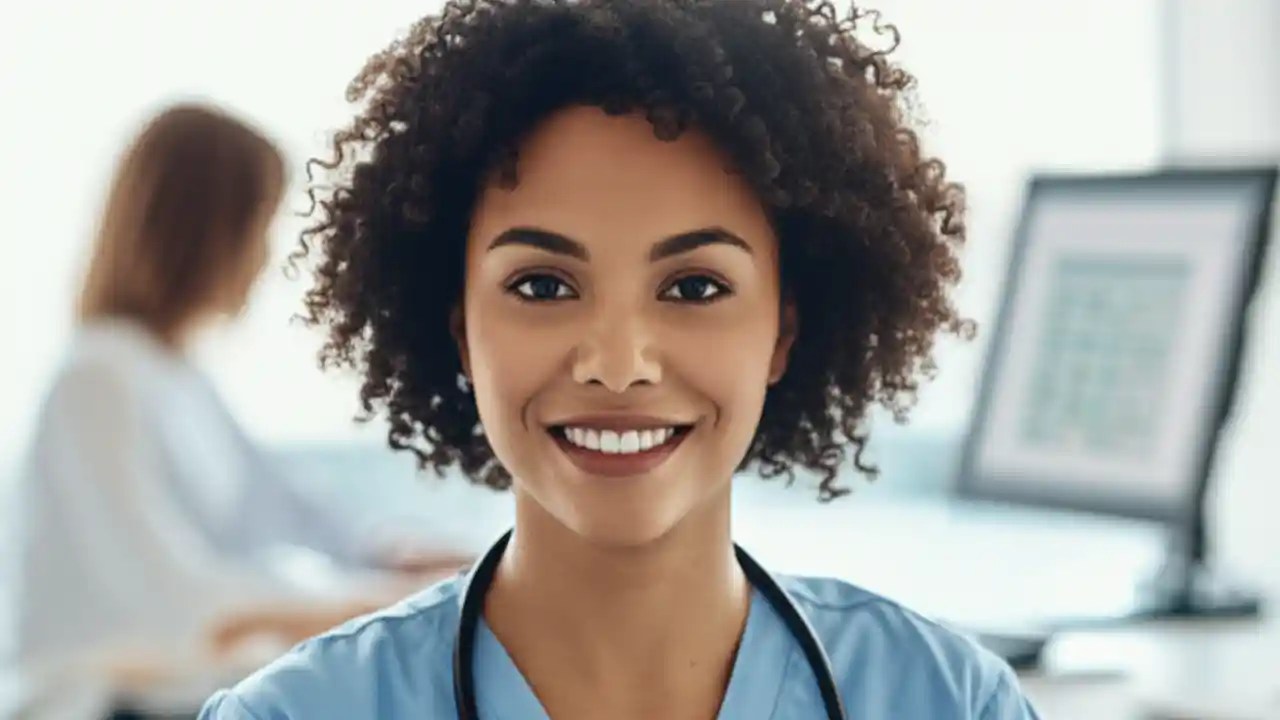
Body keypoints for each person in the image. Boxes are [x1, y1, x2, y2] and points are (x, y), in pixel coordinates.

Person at [200, 1, 1040, 718]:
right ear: (458, 327)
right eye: (540, 286)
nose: (617, 363)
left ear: (784, 332)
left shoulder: (947, 699)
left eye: (696, 288)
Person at [3, 104, 468, 705]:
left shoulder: (179, 379)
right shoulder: (96, 381)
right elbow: (175, 596)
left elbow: (285, 506)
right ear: (202, 232)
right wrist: (380, 605)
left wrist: (400, 558)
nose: (265, 259)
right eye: (260, 229)